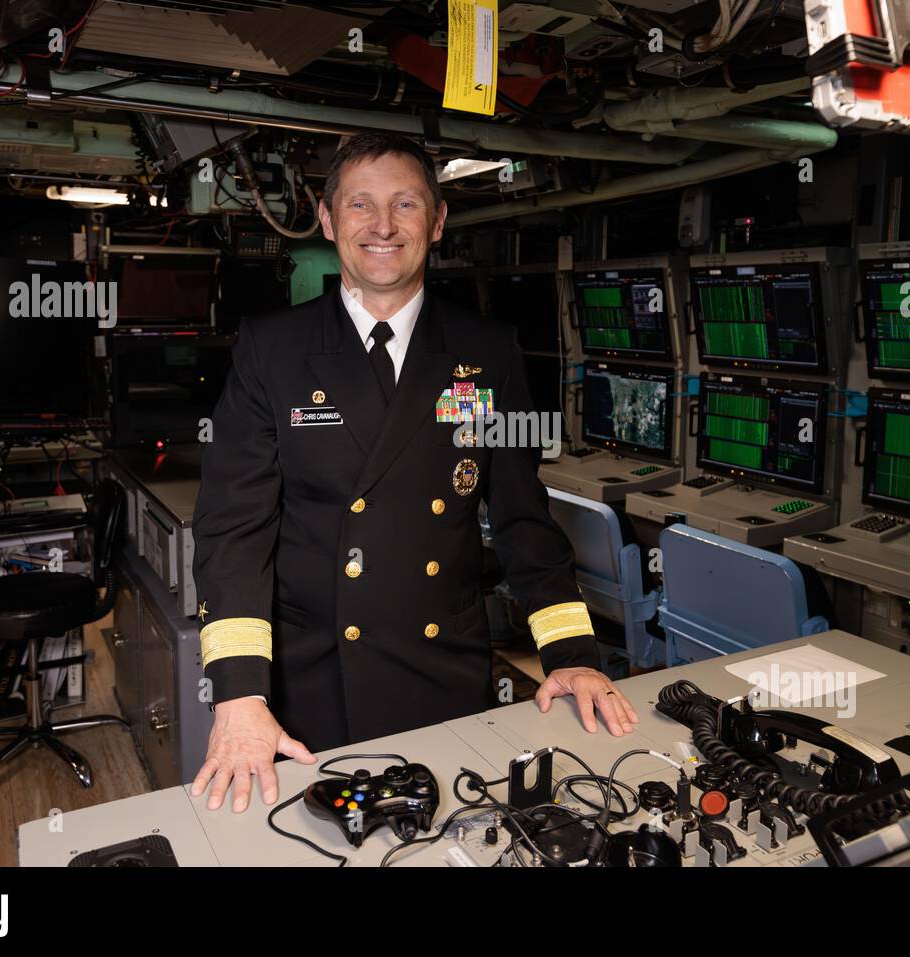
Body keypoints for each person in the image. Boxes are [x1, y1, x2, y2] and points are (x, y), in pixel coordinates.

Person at [189, 132, 639, 813]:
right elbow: (233, 531)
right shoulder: (271, 349)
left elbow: (522, 517)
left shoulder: (487, 352)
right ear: (327, 218)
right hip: (310, 684)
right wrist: (239, 692)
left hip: (444, 673)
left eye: (405, 204)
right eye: (360, 205)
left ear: (437, 220)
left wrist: (571, 651)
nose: (382, 226)